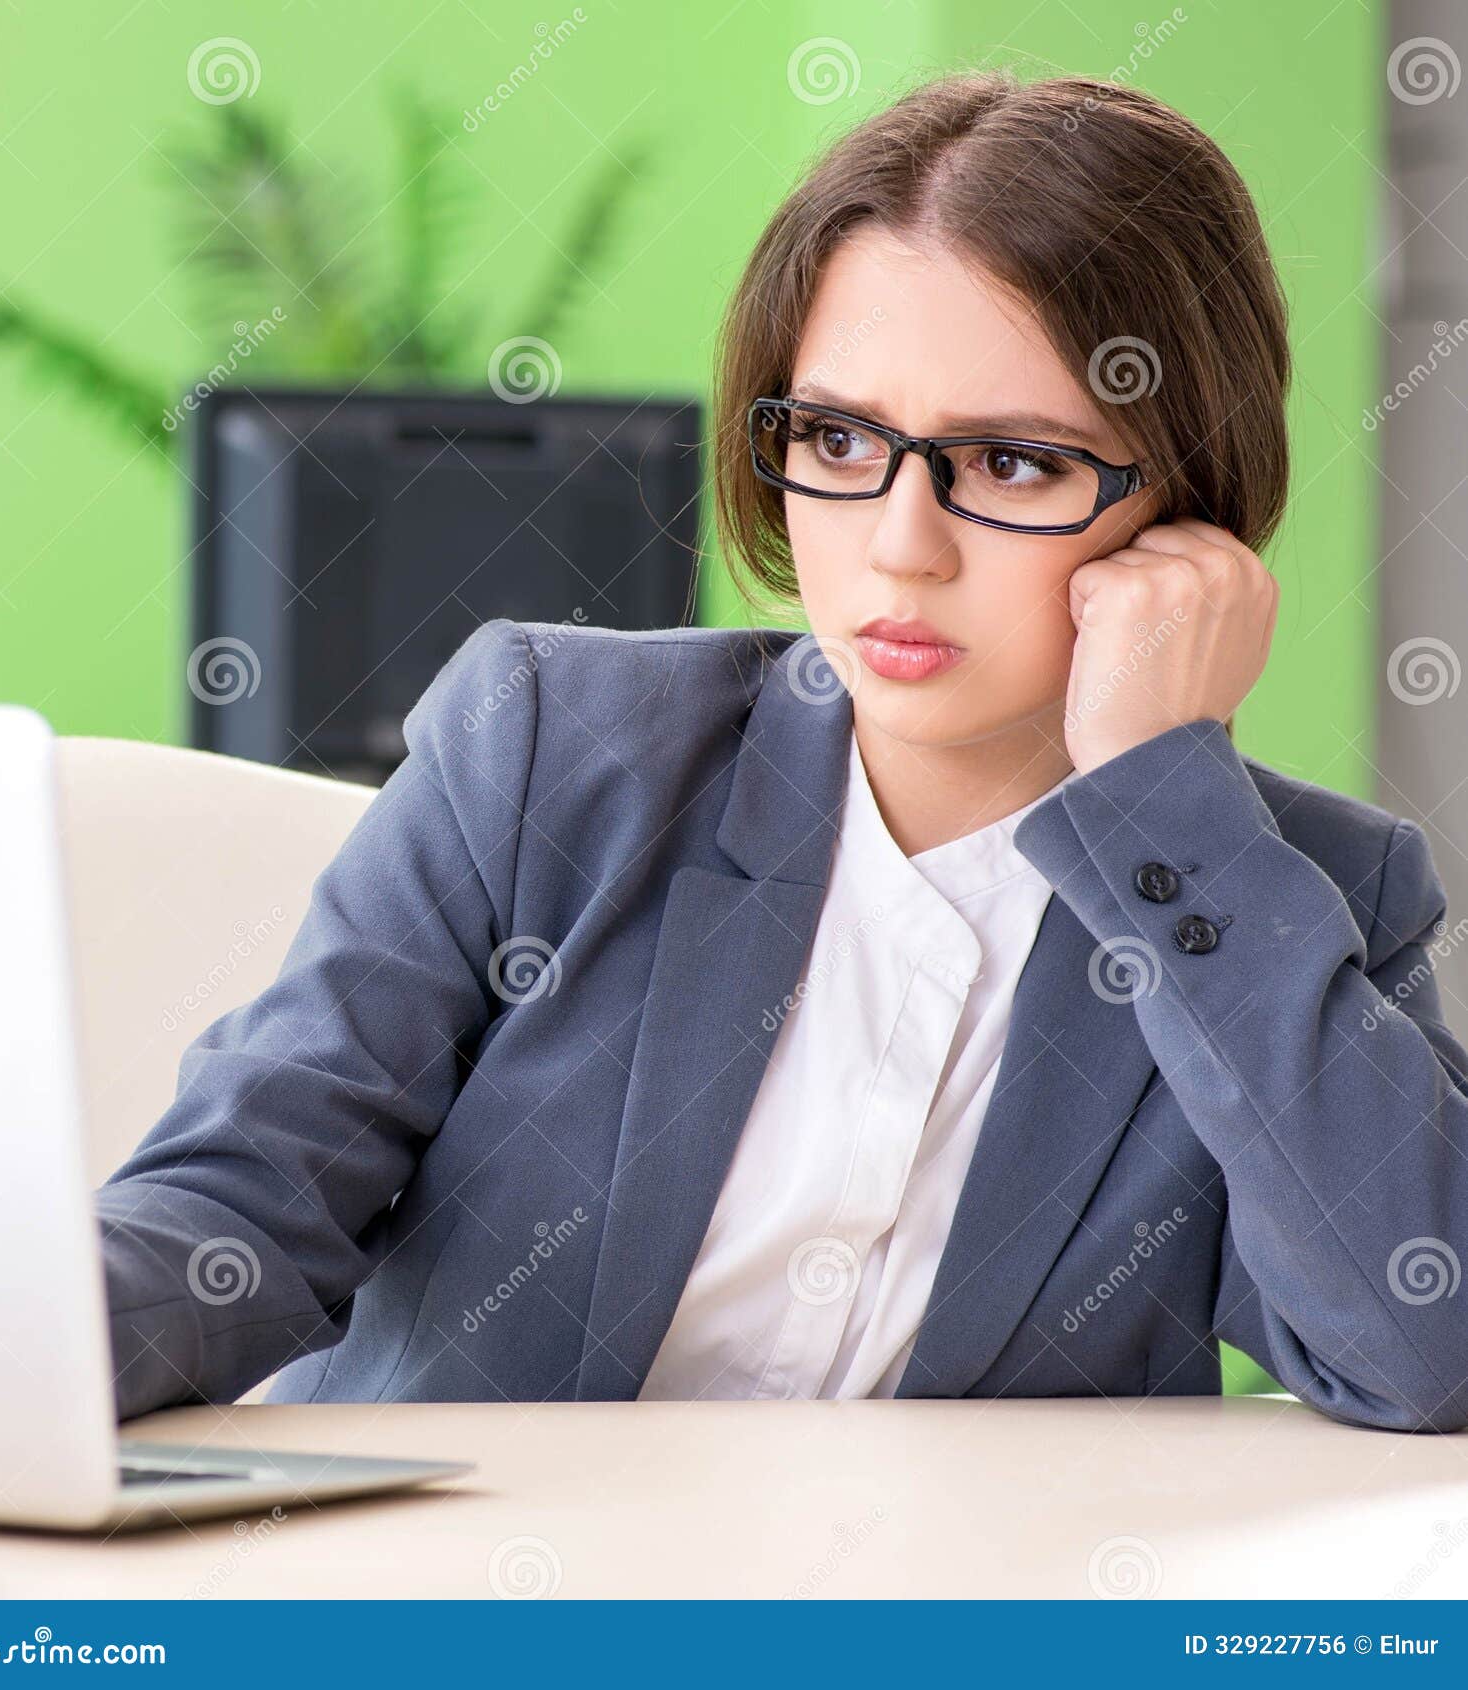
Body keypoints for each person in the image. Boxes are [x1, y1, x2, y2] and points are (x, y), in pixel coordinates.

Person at [98, 69, 1468, 1433]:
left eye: (1013, 464)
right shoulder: (546, 750)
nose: (899, 544)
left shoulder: (1286, 900)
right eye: (837, 436)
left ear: (1189, 509)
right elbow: (236, 1213)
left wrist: (1162, 805)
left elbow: (1431, 1346)